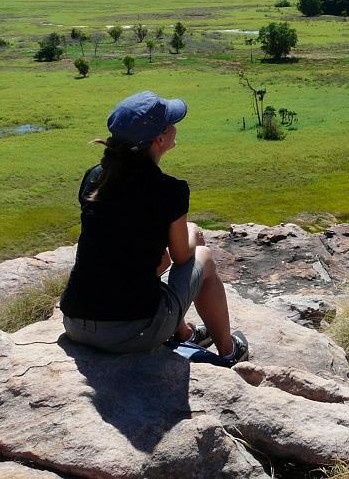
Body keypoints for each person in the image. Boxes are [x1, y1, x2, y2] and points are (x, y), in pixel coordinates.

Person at [60, 91, 247, 367]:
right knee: (203, 257)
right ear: (159, 139)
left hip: (75, 323)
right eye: (171, 123)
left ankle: (185, 333)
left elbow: (128, 247)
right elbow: (182, 257)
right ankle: (230, 352)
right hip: (134, 333)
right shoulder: (168, 190)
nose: (175, 127)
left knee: (154, 255)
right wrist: (193, 236)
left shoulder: (96, 177)